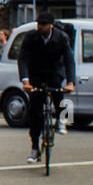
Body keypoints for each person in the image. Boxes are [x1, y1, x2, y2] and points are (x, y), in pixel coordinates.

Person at [18, 12, 75, 164]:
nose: (39, 27)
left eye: (42, 25)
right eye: (38, 24)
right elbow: (23, 58)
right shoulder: (31, 37)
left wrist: (71, 82)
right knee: (35, 111)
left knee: (58, 91)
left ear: (51, 26)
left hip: (55, 70)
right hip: (36, 72)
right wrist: (25, 80)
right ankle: (35, 148)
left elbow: (69, 60)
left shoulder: (61, 37)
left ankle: (63, 120)